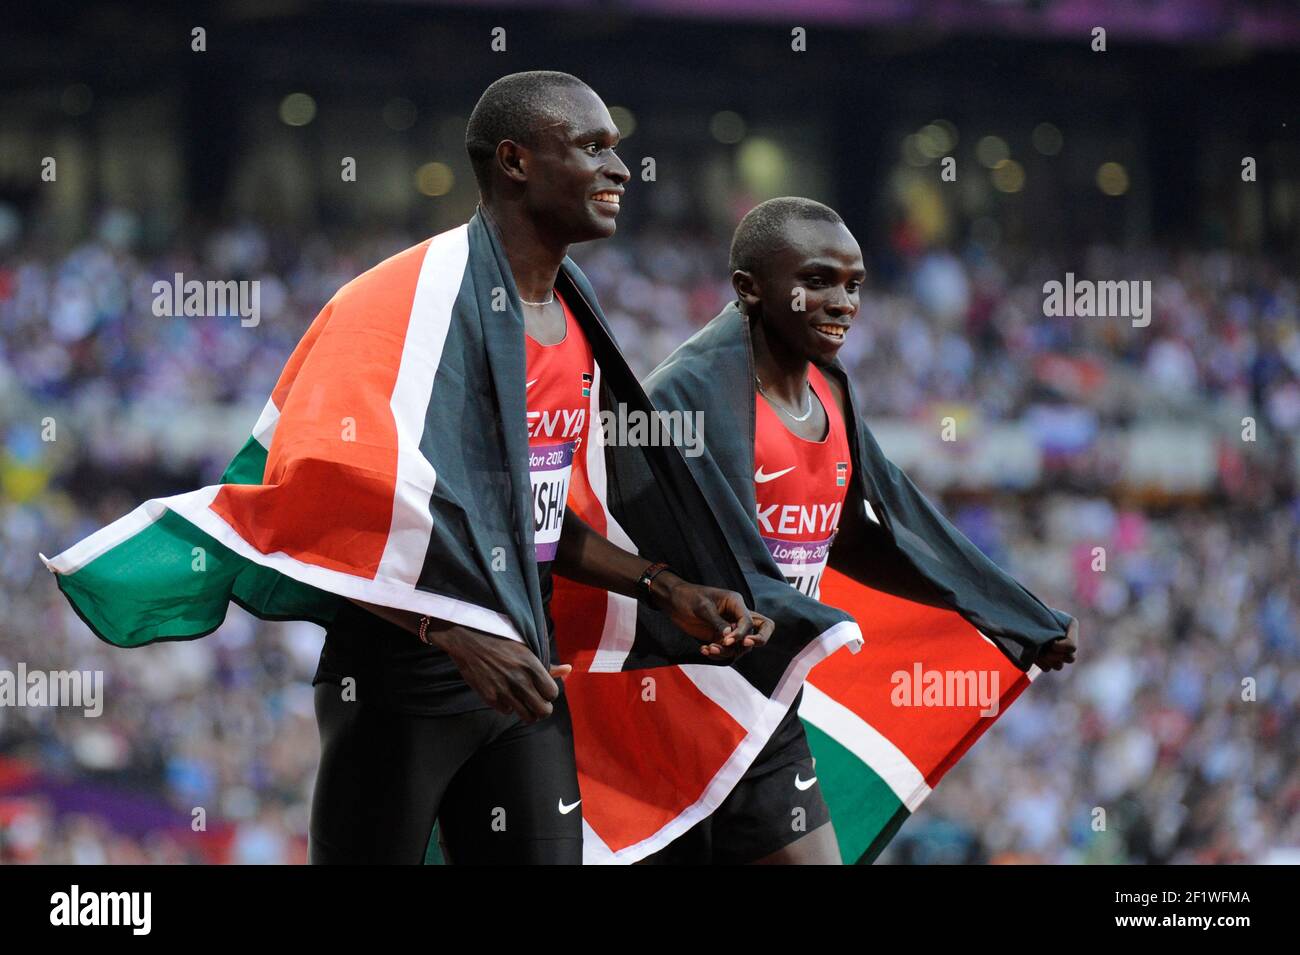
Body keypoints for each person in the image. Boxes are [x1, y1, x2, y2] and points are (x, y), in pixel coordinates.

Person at [638, 197, 1078, 864]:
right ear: (749, 289)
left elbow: (853, 537)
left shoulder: (829, 389)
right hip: (672, 704)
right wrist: (822, 622)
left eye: (854, 284)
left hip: (766, 704)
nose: (843, 301)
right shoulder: (688, 396)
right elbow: (714, 564)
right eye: (817, 280)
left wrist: (1002, 611)